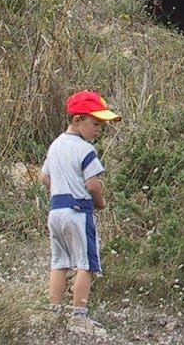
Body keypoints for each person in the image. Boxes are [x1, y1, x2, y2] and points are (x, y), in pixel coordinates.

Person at [40, 90, 121, 334]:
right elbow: (93, 184)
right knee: (86, 264)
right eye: (95, 124)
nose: (99, 130)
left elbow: (44, 176)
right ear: (78, 120)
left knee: (59, 262)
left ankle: (52, 312)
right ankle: (79, 316)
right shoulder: (85, 150)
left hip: (56, 211)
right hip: (78, 211)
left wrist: (61, 189)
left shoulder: (55, 146)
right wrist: (101, 202)